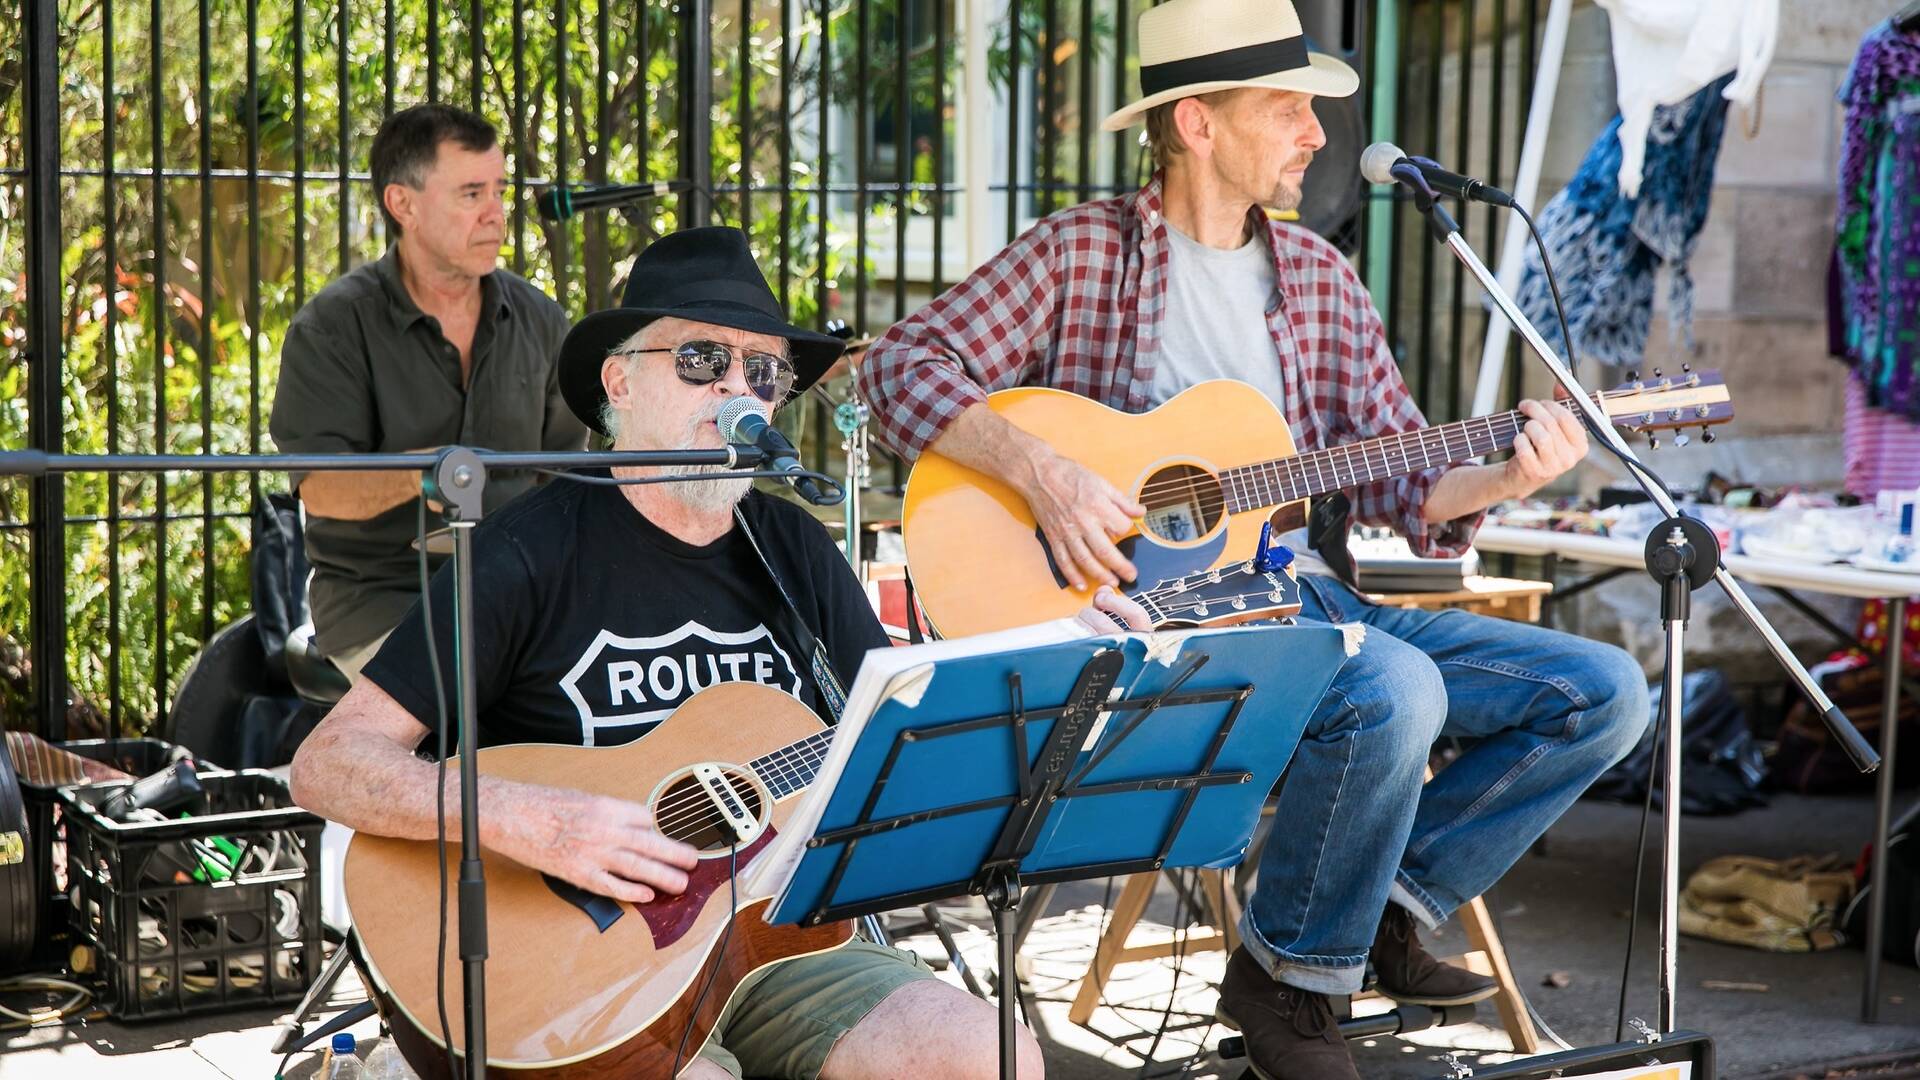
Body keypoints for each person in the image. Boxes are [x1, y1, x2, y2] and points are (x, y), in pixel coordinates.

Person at [856, 0, 1650, 1075]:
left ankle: (1367, 918)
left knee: (1606, 692)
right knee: (1397, 689)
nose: (1316, 135)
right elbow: (898, 369)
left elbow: (1410, 473)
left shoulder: (1320, 279)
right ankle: (1293, 1000)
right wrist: (1040, 473)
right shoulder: (1078, 254)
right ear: (1196, 122)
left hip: (1312, 605)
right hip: (1145, 628)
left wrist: (1508, 469)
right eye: (1289, 109)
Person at [289, 226, 1047, 1080]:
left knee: (995, 1055)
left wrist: (1053, 655)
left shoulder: (788, 547)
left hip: (771, 939)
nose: (737, 391)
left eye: (761, 373)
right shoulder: (523, 554)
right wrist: (533, 819)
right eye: (701, 361)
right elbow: (327, 765)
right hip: (580, 971)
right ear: (620, 381)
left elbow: (899, 727)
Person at [270, 104, 587, 683]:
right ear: (403, 205)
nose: (497, 215)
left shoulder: (540, 319)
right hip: (383, 600)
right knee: (476, 706)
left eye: (499, 191)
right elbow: (322, 489)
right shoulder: (333, 326)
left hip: (521, 592)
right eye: (471, 194)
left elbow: (564, 477)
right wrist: (427, 473)